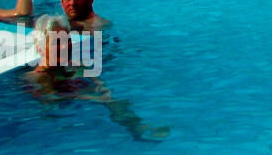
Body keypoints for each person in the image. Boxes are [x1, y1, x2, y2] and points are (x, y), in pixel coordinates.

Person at [23, 14, 168, 141]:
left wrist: (103, 90)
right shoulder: (38, 77)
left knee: (117, 102)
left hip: (79, 105)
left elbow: (95, 79)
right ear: (40, 47)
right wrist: (90, 98)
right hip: (56, 120)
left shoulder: (76, 64)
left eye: (66, 40)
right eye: (56, 42)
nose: (64, 47)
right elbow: (50, 99)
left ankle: (138, 128)